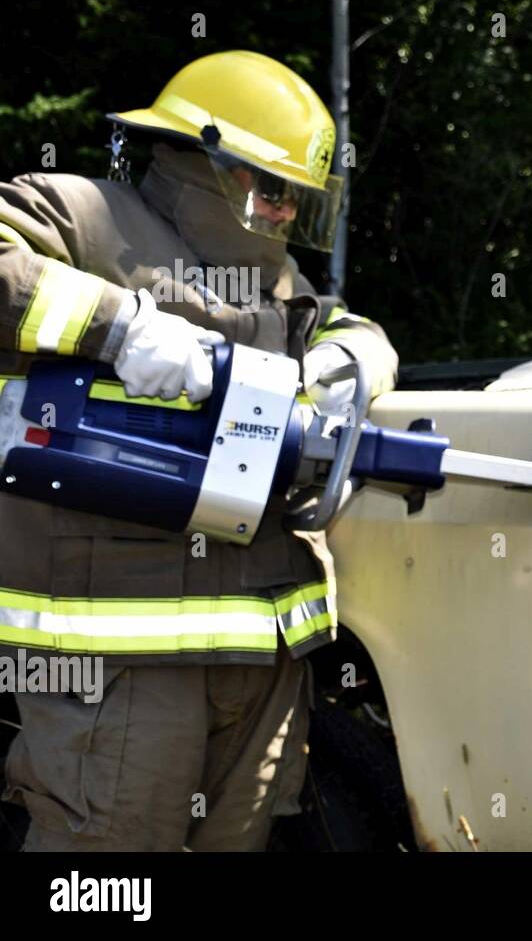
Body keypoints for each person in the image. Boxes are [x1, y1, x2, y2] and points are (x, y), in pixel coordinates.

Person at [0, 50, 398, 850]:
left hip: (262, 674)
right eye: (275, 190)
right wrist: (120, 329)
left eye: (301, 201)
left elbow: (357, 333)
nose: (287, 217)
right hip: (116, 666)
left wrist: (354, 360)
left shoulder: (283, 291)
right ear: (203, 159)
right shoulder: (81, 218)